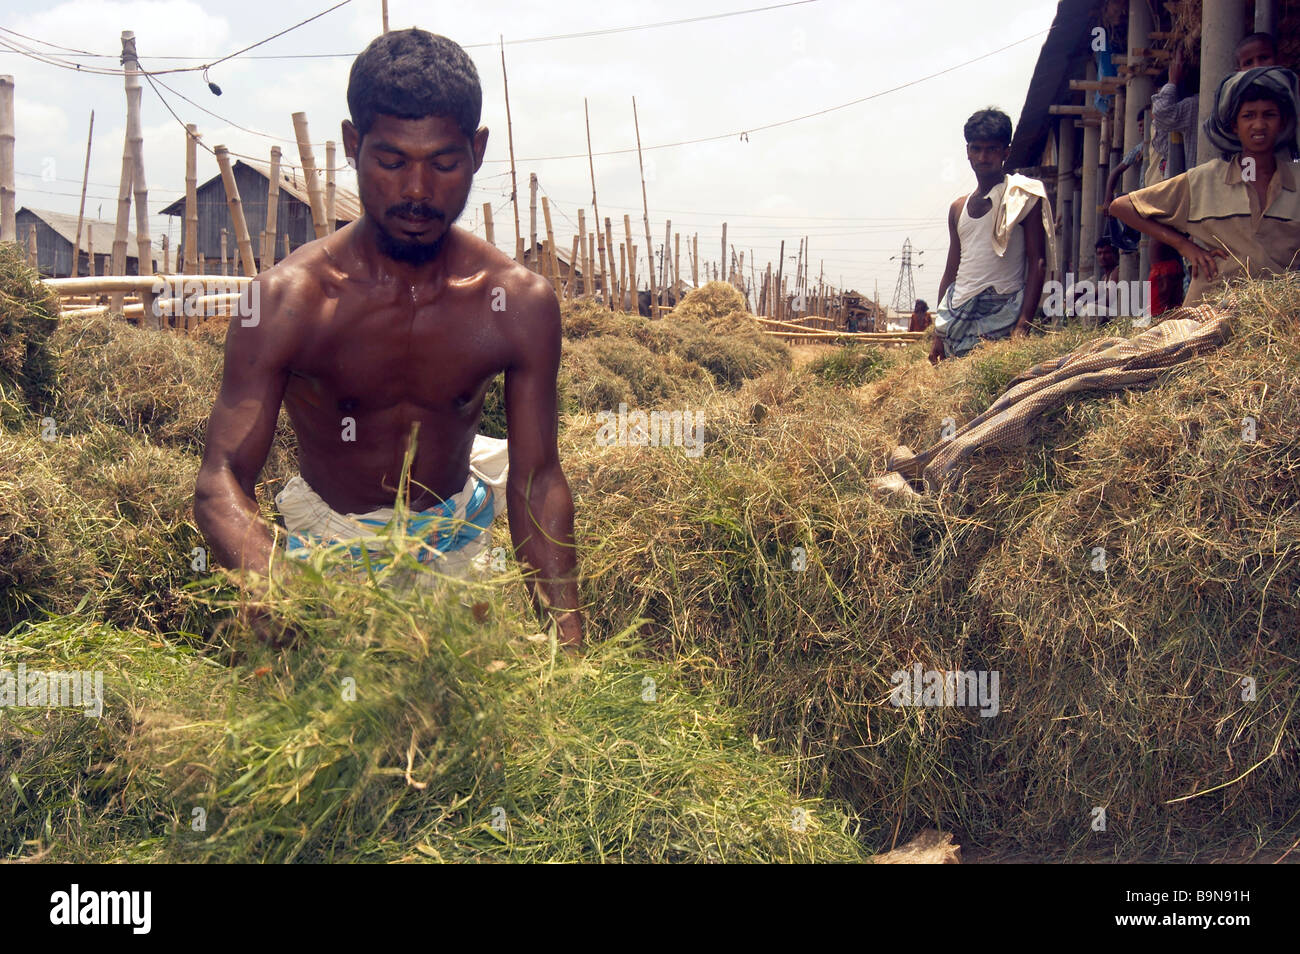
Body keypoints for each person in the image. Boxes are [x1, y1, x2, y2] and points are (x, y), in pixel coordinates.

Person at [194, 29, 584, 647]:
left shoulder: (515, 304)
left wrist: (567, 636)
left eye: (445, 163)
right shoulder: (285, 302)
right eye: (392, 160)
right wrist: (274, 583)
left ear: (478, 151)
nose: (417, 190)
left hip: (455, 543)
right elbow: (221, 478)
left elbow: (536, 480)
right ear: (353, 144)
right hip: (327, 552)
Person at [1110, 67, 1300, 308]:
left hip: (1276, 316)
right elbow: (1122, 206)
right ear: (1234, 126)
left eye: (1269, 115)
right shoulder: (1205, 179)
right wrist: (1183, 245)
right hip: (1207, 313)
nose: (1259, 125)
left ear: (1282, 122)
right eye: (1249, 116)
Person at [930, 108, 1051, 363]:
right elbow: (951, 272)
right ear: (968, 152)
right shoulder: (957, 209)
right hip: (957, 316)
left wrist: (1022, 325)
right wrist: (938, 334)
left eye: (992, 149)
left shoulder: (1021, 198)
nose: (983, 157)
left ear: (1005, 152)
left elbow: (1038, 262)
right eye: (976, 149)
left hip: (1001, 313)